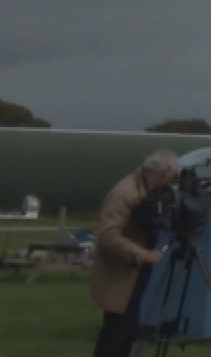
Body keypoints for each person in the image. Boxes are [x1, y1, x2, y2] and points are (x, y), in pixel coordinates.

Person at [90, 150, 178, 357]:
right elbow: (107, 234)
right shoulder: (124, 193)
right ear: (163, 172)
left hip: (135, 271)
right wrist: (142, 254)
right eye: (171, 175)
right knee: (116, 332)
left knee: (128, 330)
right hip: (121, 272)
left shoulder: (148, 190)